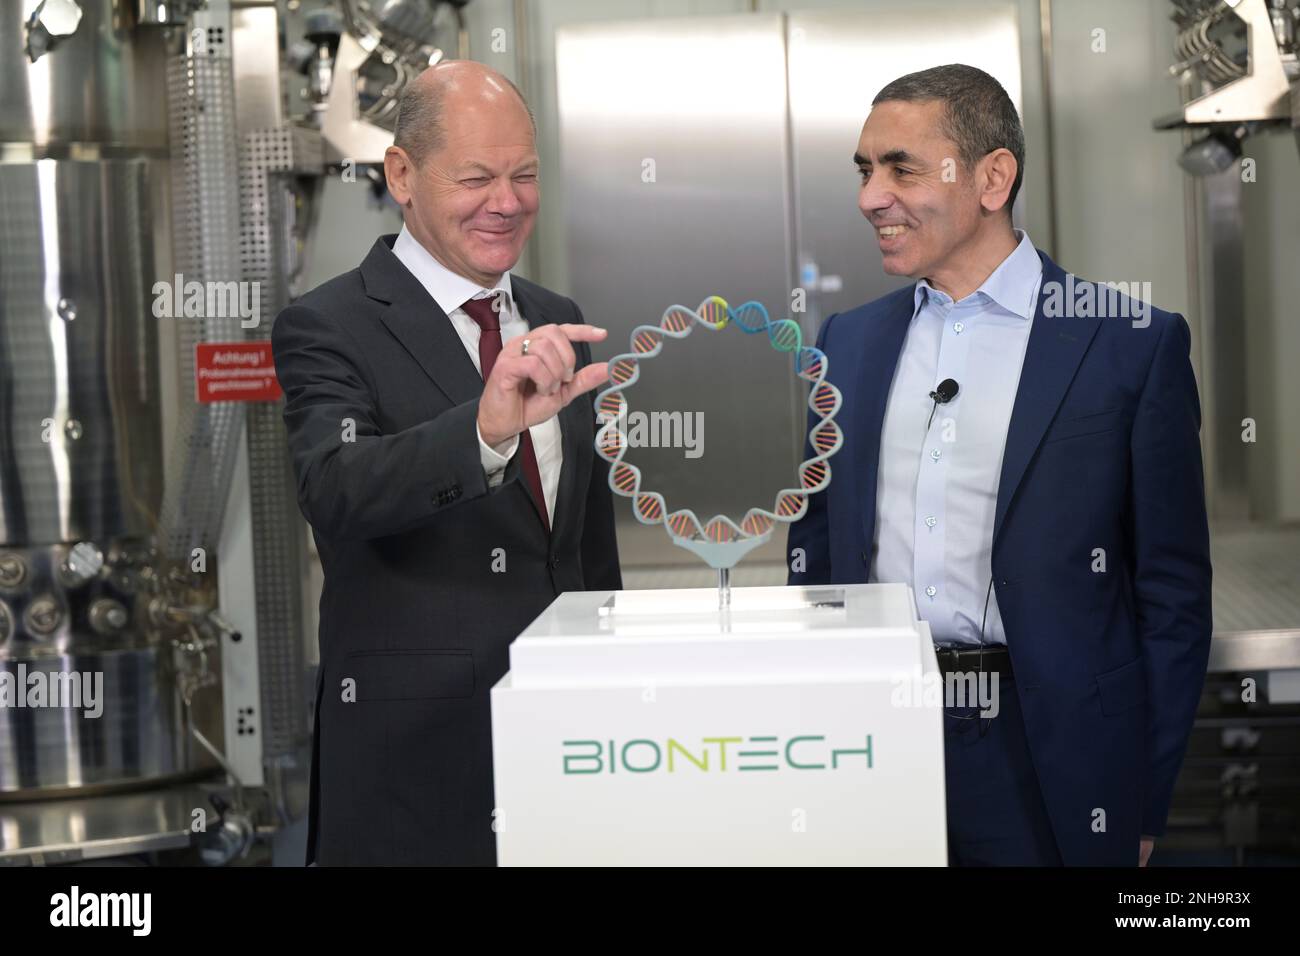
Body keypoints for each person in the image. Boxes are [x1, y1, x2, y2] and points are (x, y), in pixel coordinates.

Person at [788, 64, 1212, 866]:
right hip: (874, 739)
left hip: (1047, 753)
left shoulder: (1128, 345)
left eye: (901, 168)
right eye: (864, 170)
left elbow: (1174, 596)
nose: (870, 196)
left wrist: (1141, 805)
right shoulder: (847, 344)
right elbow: (812, 558)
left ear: (992, 178)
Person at [272, 60, 622, 865]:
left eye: (525, 175)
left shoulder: (555, 317)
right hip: (418, 761)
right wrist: (484, 433)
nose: (507, 202)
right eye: (476, 178)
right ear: (402, 174)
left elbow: (581, 545)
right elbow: (336, 488)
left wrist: (616, 681)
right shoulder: (328, 324)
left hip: (575, 747)